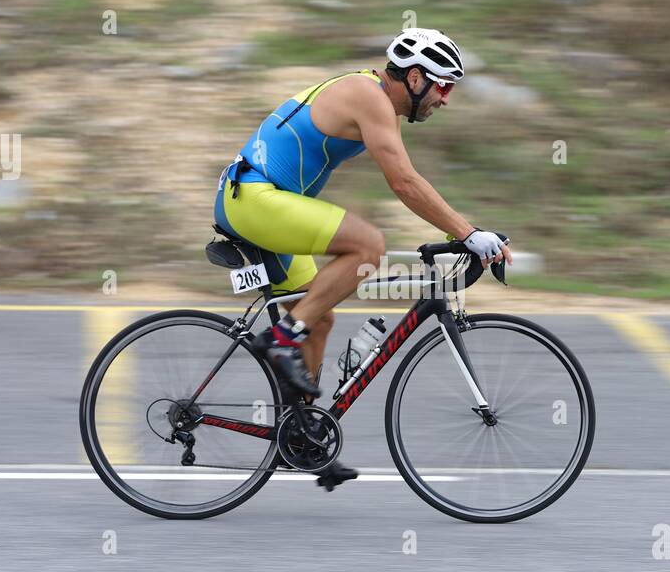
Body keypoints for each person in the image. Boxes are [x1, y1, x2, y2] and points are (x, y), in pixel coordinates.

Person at [213, 28, 513, 488]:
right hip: (254, 197)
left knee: (320, 317)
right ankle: (280, 340)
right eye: (443, 86)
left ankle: (304, 437)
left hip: (258, 197)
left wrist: (463, 231)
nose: (446, 99)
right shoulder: (367, 95)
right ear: (415, 78)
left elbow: (407, 179)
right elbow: (404, 183)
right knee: (368, 246)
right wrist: (469, 233)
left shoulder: (373, 98)